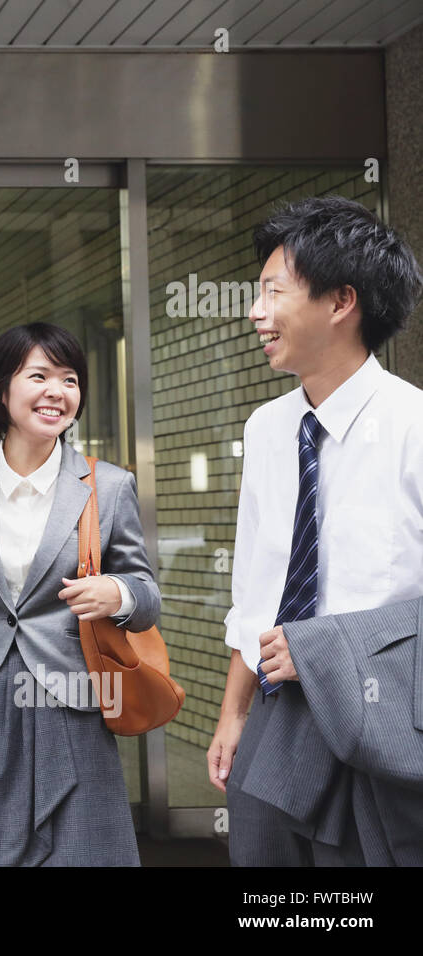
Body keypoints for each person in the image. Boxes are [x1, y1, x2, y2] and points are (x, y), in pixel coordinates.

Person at [207, 195, 423, 866]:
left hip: (379, 715)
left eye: (273, 291)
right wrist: (233, 713)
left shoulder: (415, 426)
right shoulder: (267, 429)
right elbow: (258, 586)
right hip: (277, 715)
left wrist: (337, 651)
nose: (255, 312)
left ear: (340, 302)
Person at [0, 322, 160, 866]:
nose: (57, 392)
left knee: (81, 851)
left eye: (70, 380)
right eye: (39, 376)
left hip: (72, 696)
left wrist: (116, 593)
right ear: (0, 390)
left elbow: (146, 595)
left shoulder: (107, 485)